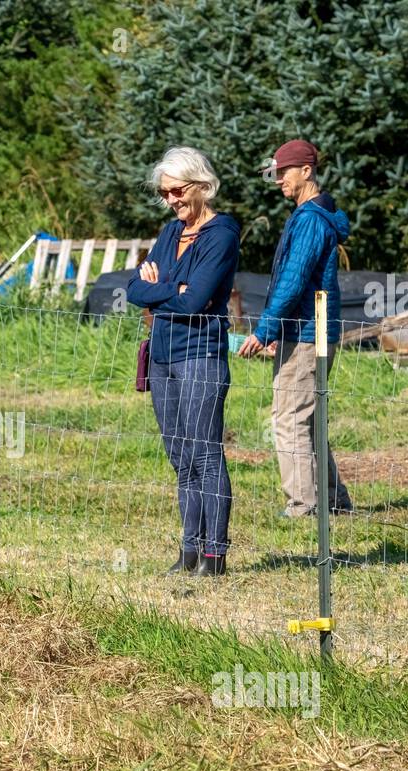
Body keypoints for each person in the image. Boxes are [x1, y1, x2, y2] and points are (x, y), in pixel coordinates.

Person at [128, 146, 241, 576]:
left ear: (201, 185)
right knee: (179, 456)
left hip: (200, 355)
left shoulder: (222, 234)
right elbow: (134, 287)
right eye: (165, 193)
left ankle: (215, 555)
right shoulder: (169, 233)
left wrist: (166, 291)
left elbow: (197, 301)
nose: (171, 200)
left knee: (205, 453)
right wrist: (173, 290)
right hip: (162, 356)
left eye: (177, 191)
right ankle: (189, 549)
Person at [238, 139, 353, 517]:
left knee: (288, 419)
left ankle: (304, 504)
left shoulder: (310, 221)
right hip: (310, 330)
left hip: (306, 332)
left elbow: (294, 279)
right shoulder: (315, 216)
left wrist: (265, 331)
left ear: (307, 171)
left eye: (284, 172)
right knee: (309, 417)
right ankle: (334, 499)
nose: (278, 181)